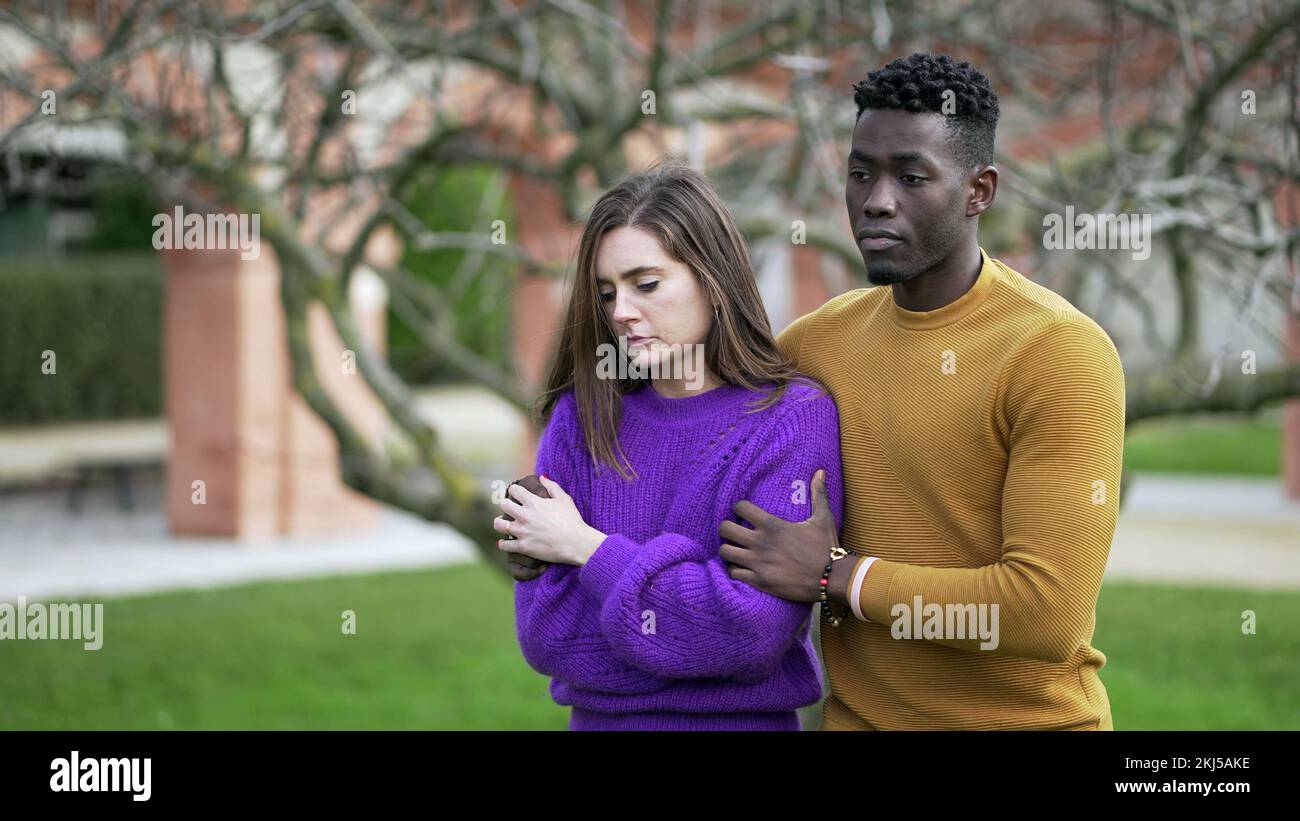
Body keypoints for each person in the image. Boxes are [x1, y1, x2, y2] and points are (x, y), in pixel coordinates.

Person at [718, 53, 1126, 730]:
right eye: (860, 173)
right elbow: (694, 457)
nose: (877, 199)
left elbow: (1044, 612)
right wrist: (560, 526)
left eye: (911, 176)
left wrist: (838, 577)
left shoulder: (1057, 351)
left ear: (979, 190)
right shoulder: (811, 346)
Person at [496, 163, 845, 731]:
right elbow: (548, 639)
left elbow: (750, 634)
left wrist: (586, 549)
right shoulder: (581, 420)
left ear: (713, 277)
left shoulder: (789, 422)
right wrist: (688, 617)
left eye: (647, 284)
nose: (621, 313)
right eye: (606, 292)